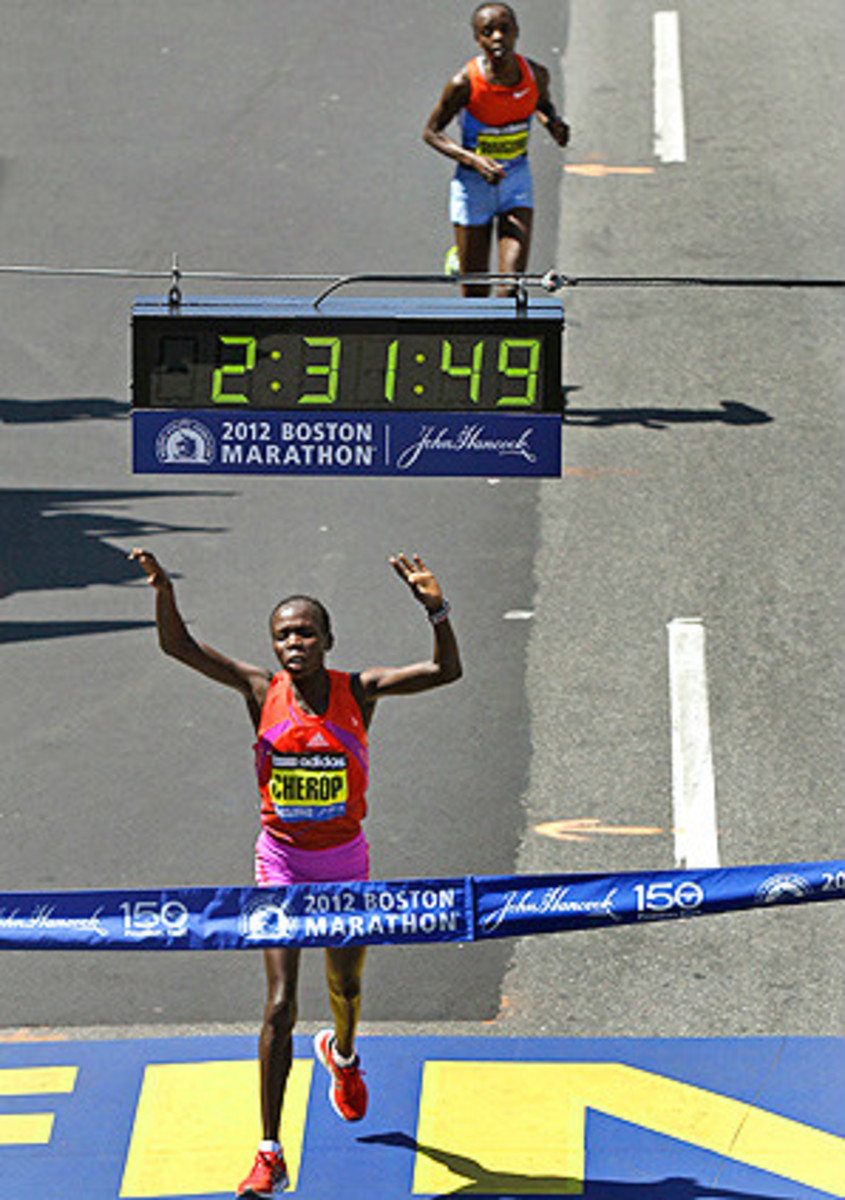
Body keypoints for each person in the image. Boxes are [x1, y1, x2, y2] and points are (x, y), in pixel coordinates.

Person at [129, 547, 461, 1199]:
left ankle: (343, 1055)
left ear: (328, 640)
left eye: (305, 633)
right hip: (281, 862)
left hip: (344, 864)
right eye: (282, 635)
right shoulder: (261, 692)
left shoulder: (357, 691)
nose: (293, 644)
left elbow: (445, 671)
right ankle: (269, 1152)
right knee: (280, 1003)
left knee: (345, 987)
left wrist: (436, 610)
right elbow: (180, 647)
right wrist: (164, 590)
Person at [423, 2, 570, 297]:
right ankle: (461, 258)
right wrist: (474, 160)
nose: (497, 37)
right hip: (473, 186)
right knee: (476, 292)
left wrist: (552, 123)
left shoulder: (536, 75)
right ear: (477, 39)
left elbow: (541, 104)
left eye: (504, 29)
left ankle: (503, 319)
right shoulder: (464, 83)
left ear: (517, 32)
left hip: (516, 180)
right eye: (488, 32)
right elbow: (431, 132)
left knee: (510, 286)